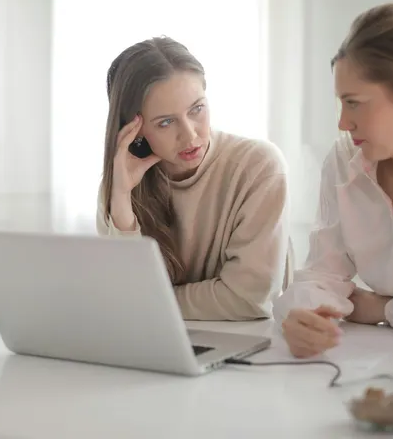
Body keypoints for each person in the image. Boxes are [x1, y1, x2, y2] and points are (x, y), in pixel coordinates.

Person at [96, 36, 292, 321]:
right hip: (160, 341)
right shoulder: (122, 184)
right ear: (134, 131)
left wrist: (152, 301)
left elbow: (248, 299)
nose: (190, 135)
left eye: (197, 110)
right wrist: (122, 200)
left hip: (251, 344)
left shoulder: (259, 167)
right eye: (165, 122)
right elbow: (122, 294)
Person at [274, 3, 393, 358]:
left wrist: (383, 309)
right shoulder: (346, 159)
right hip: (380, 360)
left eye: (354, 103)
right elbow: (321, 273)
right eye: (340, 103)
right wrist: (303, 315)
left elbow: (370, 307)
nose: (343, 122)